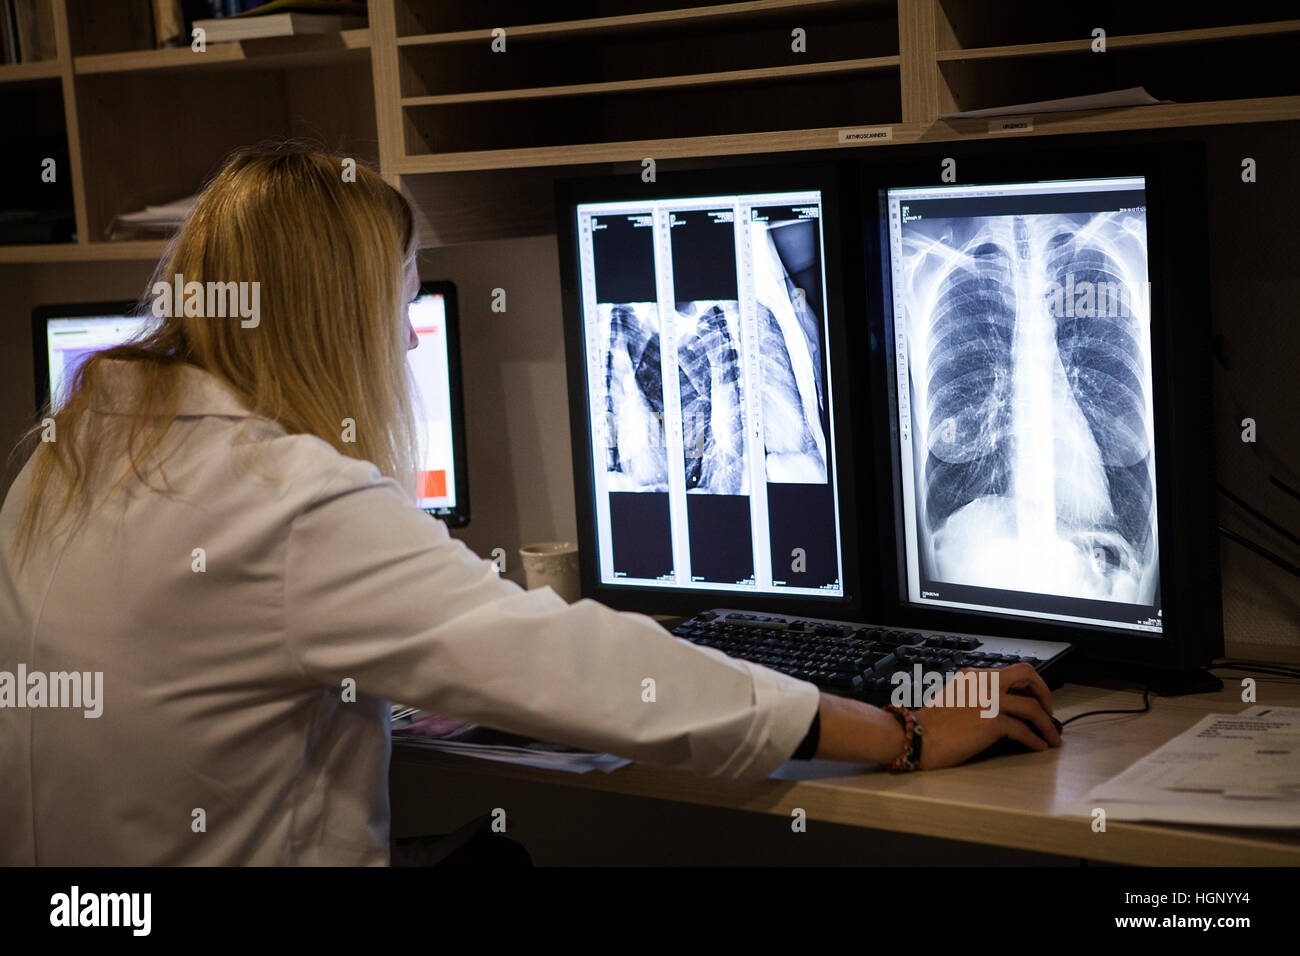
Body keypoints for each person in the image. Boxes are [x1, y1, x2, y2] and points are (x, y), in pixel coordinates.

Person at [0, 145, 1059, 866]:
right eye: (402, 300)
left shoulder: (67, 462)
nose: (406, 337)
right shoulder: (288, 504)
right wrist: (900, 730)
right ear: (339, 316)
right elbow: (584, 670)